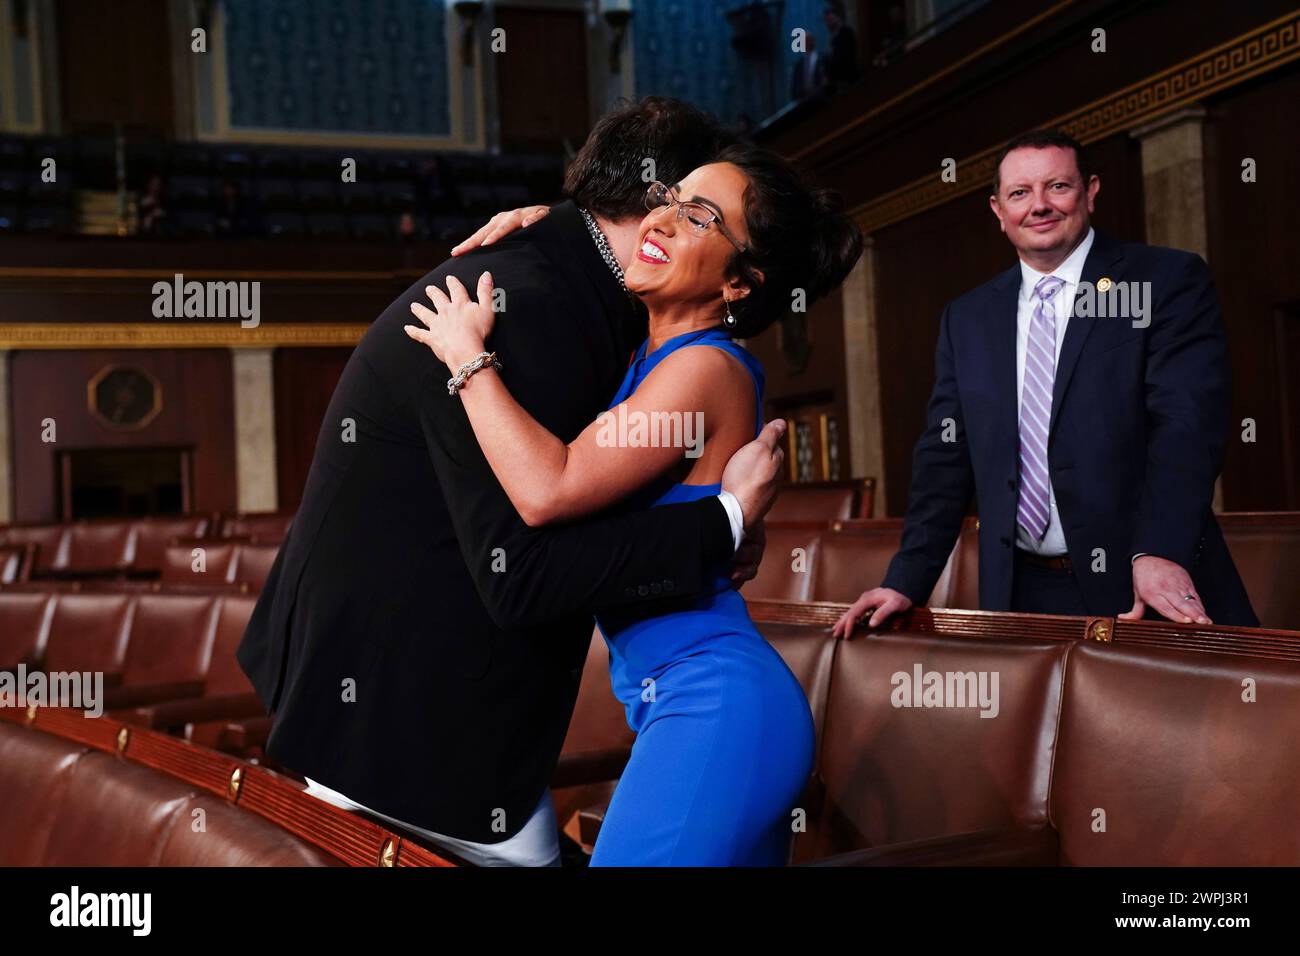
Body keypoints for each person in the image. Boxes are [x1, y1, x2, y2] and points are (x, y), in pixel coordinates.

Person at [236, 98, 784, 868]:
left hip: (407, 711)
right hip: (415, 728)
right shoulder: (530, 308)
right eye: (686, 203)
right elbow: (523, 571)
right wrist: (721, 525)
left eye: (705, 215)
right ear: (658, 201)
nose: (680, 224)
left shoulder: (558, 278)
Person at [406, 142, 864, 865]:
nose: (666, 219)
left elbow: (546, 489)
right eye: (671, 199)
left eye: (701, 217)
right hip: (683, 704)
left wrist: (467, 359)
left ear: (742, 283)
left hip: (718, 707)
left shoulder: (702, 369)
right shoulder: (646, 357)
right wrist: (548, 227)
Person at [833, 129, 1257, 638]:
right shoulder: (967, 319)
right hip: (1019, 594)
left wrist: (1159, 550)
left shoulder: (1163, 281)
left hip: (1141, 582)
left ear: (1090, 191)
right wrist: (906, 580)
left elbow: (1187, 430)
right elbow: (945, 459)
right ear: (998, 210)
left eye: (1058, 186)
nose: (1039, 206)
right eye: (1020, 193)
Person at [823, 0, 860, 87]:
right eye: (826, 21)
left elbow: (845, 59)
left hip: (848, 81)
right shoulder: (833, 39)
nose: (827, 23)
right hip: (838, 83)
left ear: (837, 17)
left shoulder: (846, 33)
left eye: (829, 19)